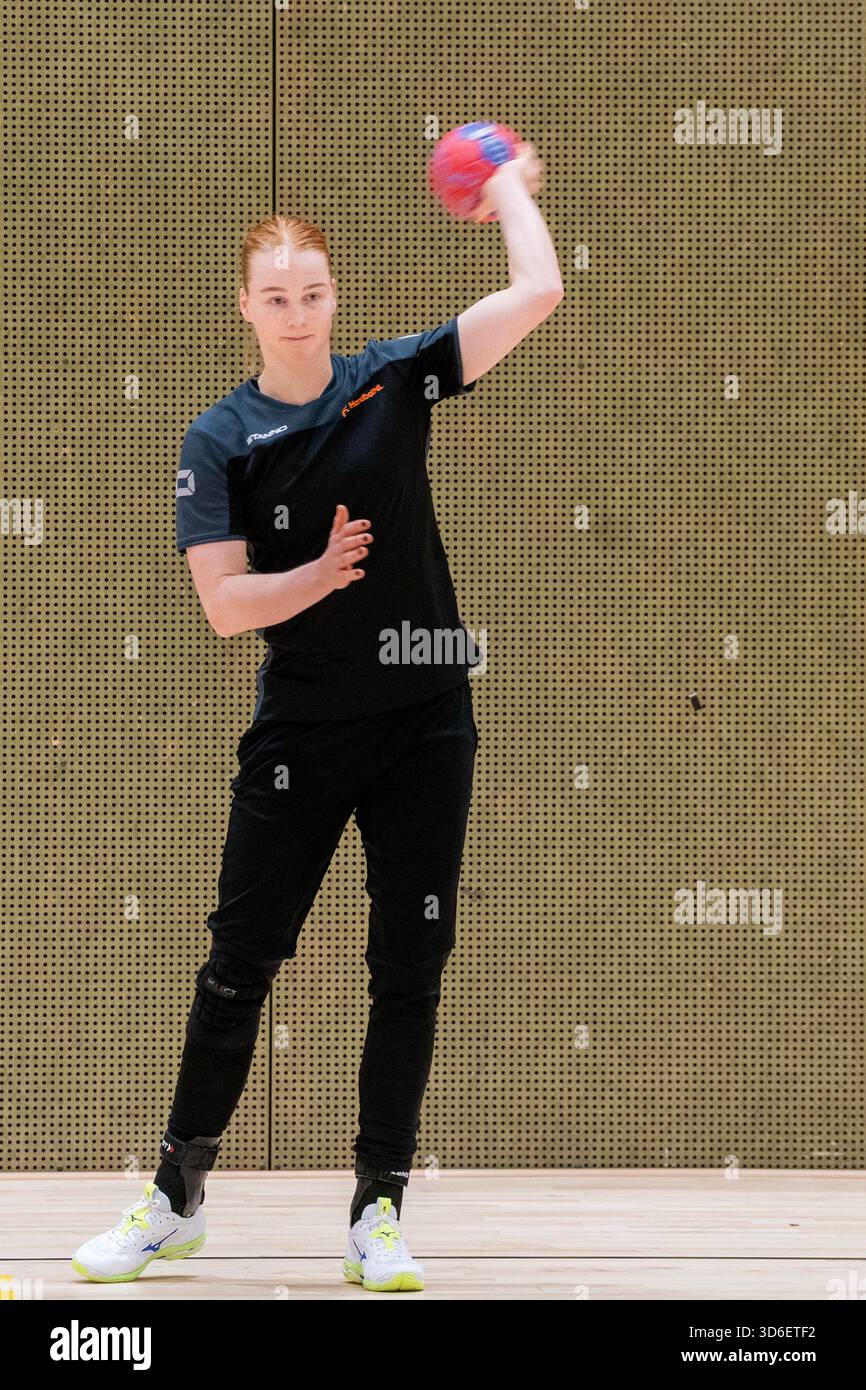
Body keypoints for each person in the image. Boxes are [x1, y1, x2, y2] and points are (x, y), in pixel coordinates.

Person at [72, 141, 563, 1291]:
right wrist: (320, 576)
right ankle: (174, 1193)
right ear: (245, 305)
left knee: (410, 964)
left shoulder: (393, 380)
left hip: (425, 721)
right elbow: (223, 605)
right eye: (274, 297)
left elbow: (536, 293)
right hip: (300, 734)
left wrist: (503, 197)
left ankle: (376, 1208)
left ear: (332, 298)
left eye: (313, 293)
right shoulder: (217, 440)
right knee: (238, 963)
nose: (295, 313)